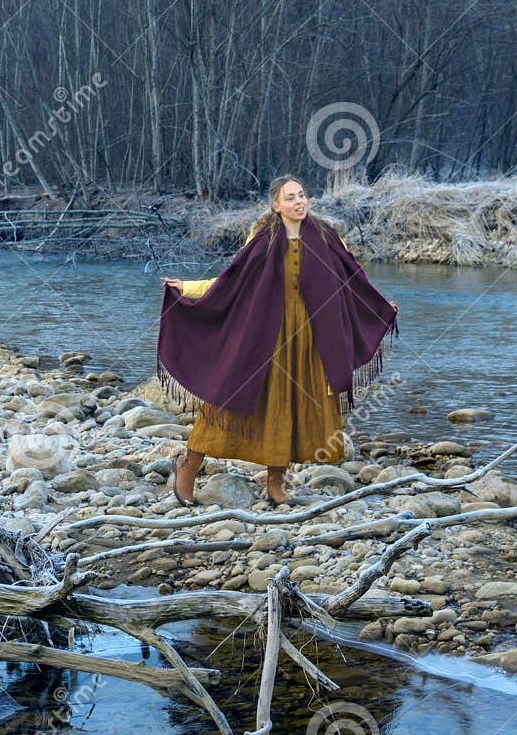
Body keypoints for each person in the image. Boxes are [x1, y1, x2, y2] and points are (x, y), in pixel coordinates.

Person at [156, 174, 399, 506]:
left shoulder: (327, 236)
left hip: (312, 339)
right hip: (263, 335)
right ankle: (188, 466)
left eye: (302, 195)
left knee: (292, 407)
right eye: (290, 198)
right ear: (276, 205)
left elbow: (352, 279)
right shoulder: (263, 238)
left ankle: (276, 482)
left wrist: (378, 307)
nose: (299, 202)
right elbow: (230, 282)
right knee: (231, 398)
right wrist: (187, 287)